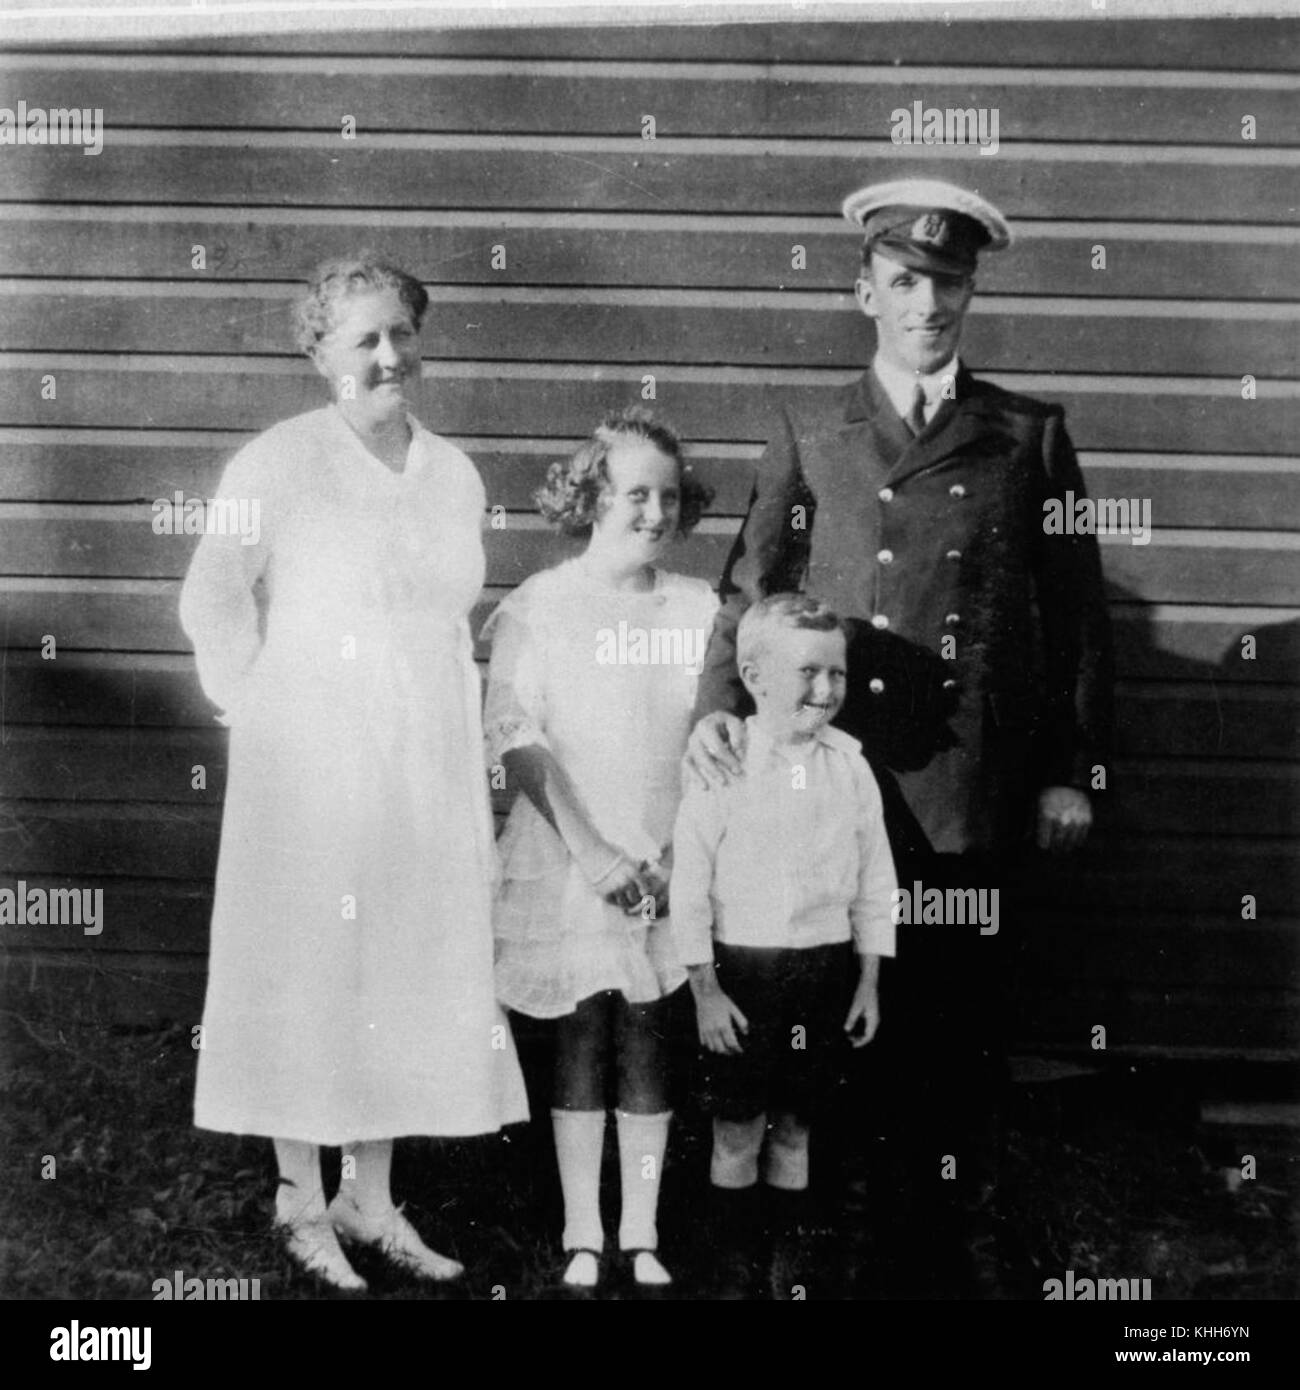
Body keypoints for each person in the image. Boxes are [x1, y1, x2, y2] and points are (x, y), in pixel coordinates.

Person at [687, 178, 1114, 1295]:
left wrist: (1070, 769)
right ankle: (830, 1241)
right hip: (829, 776)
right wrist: (712, 716)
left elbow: (1072, 616)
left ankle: (946, 1248)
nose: (929, 302)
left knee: (955, 1027)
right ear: (864, 290)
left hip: (963, 782)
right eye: (906, 280)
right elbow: (748, 588)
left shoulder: (1026, 434)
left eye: (950, 281)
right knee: (823, 1020)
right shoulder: (812, 427)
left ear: (971, 292)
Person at [179, 256, 529, 1294]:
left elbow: (443, 617)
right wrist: (257, 708)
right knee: (312, 959)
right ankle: (298, 1196)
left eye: (400, 334)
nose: (386, 356)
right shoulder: (276, 463)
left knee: (404, 957)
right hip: (311, 757)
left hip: (421, 754)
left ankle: (368, 1197)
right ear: (320, 350)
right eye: (363, 338)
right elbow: (212, 599)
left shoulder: (452, 471)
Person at [481, 406, 716, 1293]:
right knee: (582, 1033)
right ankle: (584, 1229)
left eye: (668, 496)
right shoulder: (542, 605)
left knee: (652, 1035)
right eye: (633, 495)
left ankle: (643, 1230)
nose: (654, 514)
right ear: (589, 498)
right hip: (572, 856)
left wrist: (667, 852)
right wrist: (595, 854)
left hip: (667, 853)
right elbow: (514, 731)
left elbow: (713, 735)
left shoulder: (699, 609)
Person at [671, 594, 897, 1299]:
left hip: (823, 970)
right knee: (738, 1129)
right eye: (807, 673)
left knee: (797, 1126)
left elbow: (875, 883)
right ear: (755, 674)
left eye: (837, 675)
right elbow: (688, 889)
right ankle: (732, 1273)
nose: (826, 691)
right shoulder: (724, 763)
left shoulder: (851, 767)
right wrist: (706, 992)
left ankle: (789, 1275)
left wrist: (867, 982)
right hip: (743, 973)